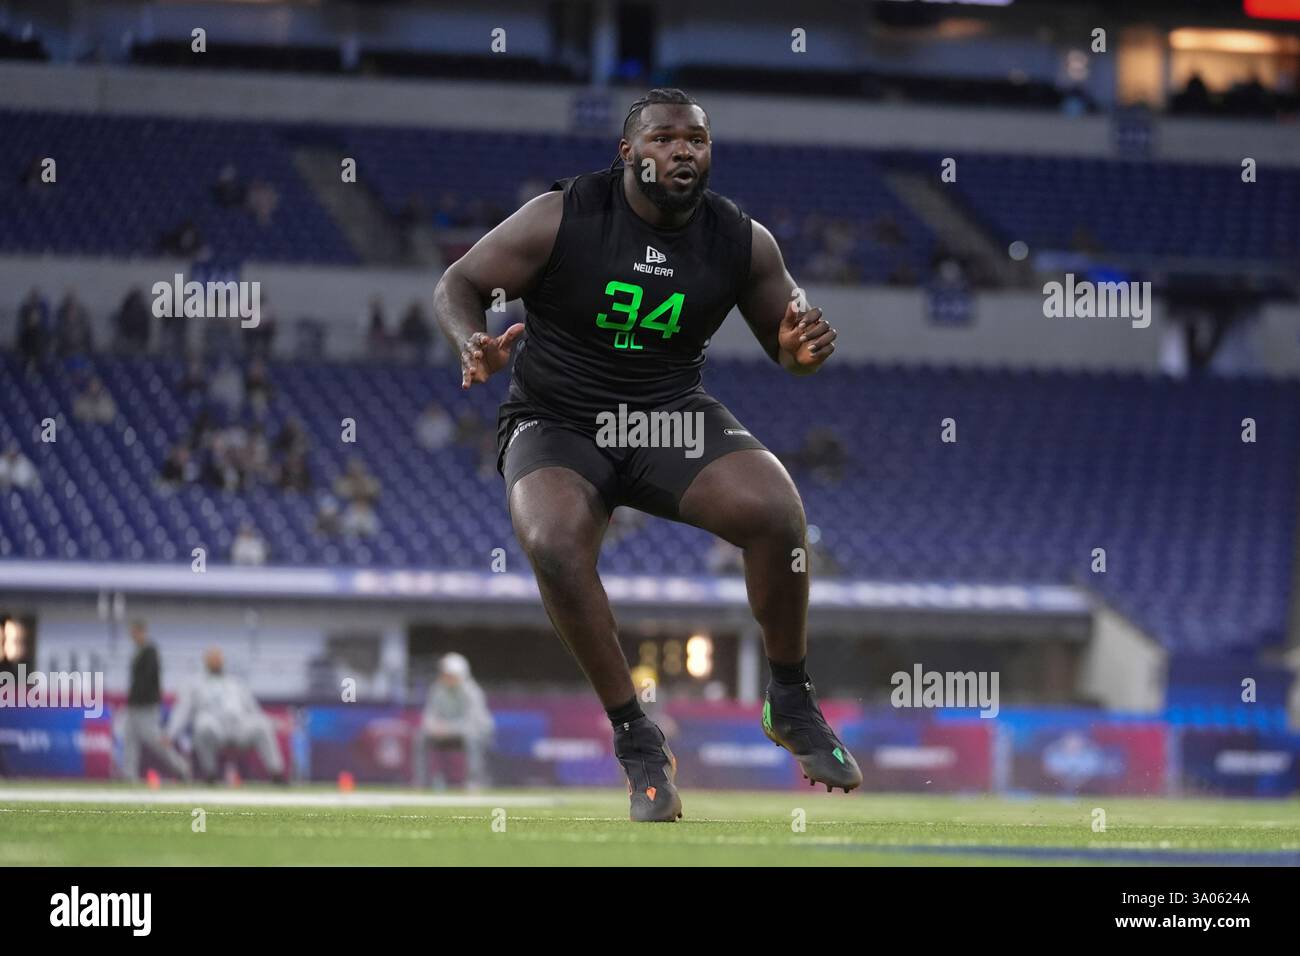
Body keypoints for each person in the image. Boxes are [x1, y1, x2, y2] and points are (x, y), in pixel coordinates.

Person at [433, 88, 859, 822]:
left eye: (695, 139)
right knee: (555, 544)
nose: (682, 151)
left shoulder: (741, 239)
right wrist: (470, 339)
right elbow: (459, 283)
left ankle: (789, 696)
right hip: (557, 418)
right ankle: (637, 740)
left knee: (777, 512)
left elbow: (789, 345)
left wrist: (801, 354)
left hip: (665, 415)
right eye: (663, 139)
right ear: (628, 152)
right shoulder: (564, 215)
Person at [166, 647, 286, 784]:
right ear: (206, 661)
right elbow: (182, 710)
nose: (216, 661)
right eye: (213, 659)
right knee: (202, 725)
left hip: (239, 726)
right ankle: (210, 774)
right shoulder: (194, 684)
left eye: (219, 658)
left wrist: (278, 724)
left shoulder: (235, 683)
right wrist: (170, 733)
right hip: (215, 727)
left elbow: (255, 711)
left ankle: (276, 773)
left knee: (261, 726)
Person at [117, 620, 190, 781]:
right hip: (135, 706)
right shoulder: (138, 652)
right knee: (130, 739)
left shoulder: (150, 651)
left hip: (146, 706)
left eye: (135, 633)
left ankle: (181, 767)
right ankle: (129, 775)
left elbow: (149, 680)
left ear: (142, 632)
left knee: (155, 740)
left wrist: (142, 698)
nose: (133, 636)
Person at [411, 653, 494, 791]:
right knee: (421, 736)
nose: (445, 677)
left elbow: (473, 722)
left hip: (475, 734)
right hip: (444, 733)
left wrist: (448, 728)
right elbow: (429, 715)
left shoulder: (472, 692)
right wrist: (433, 727)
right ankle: (421, 782)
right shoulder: (437, 689)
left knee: (471, 737)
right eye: (444, 673)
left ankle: (474, 781)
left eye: (450, 674)